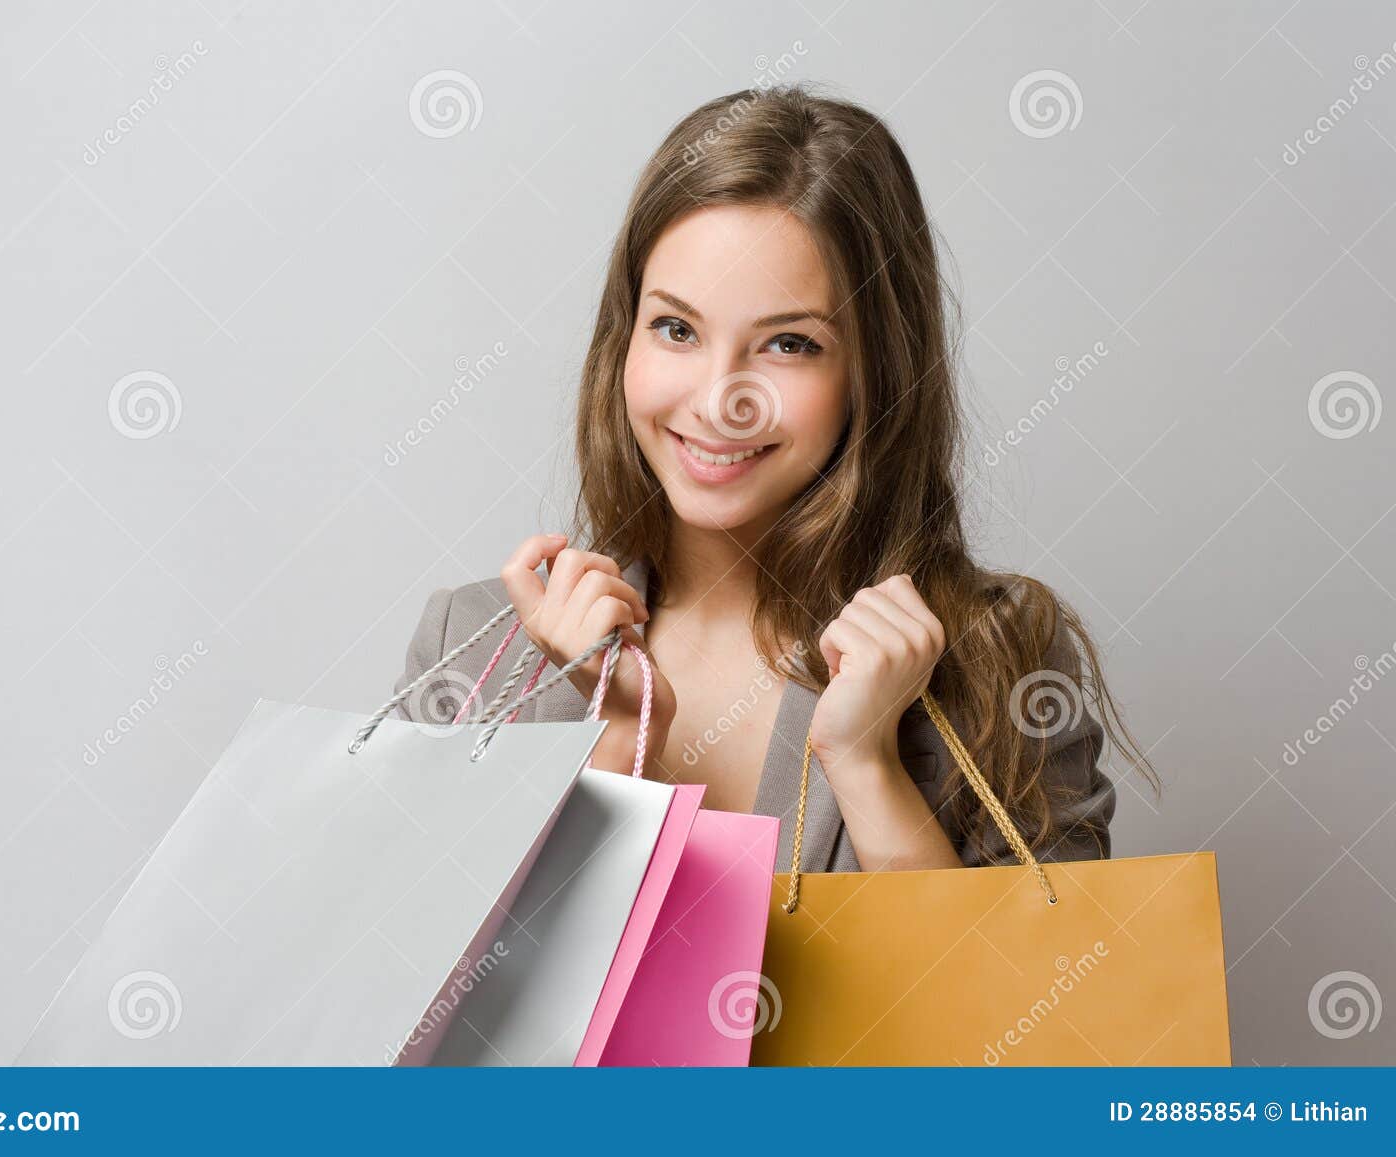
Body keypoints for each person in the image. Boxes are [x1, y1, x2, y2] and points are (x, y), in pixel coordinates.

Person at [390, 83, 1155, 875]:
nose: (721, 401)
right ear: (624, 338)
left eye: (789, 344)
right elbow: (434, 951)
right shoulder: (472, 653)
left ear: (875, 370)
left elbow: (1032, 963)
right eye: (676, 328)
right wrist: (617, 739)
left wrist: (867, 766)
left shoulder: (998, 654)